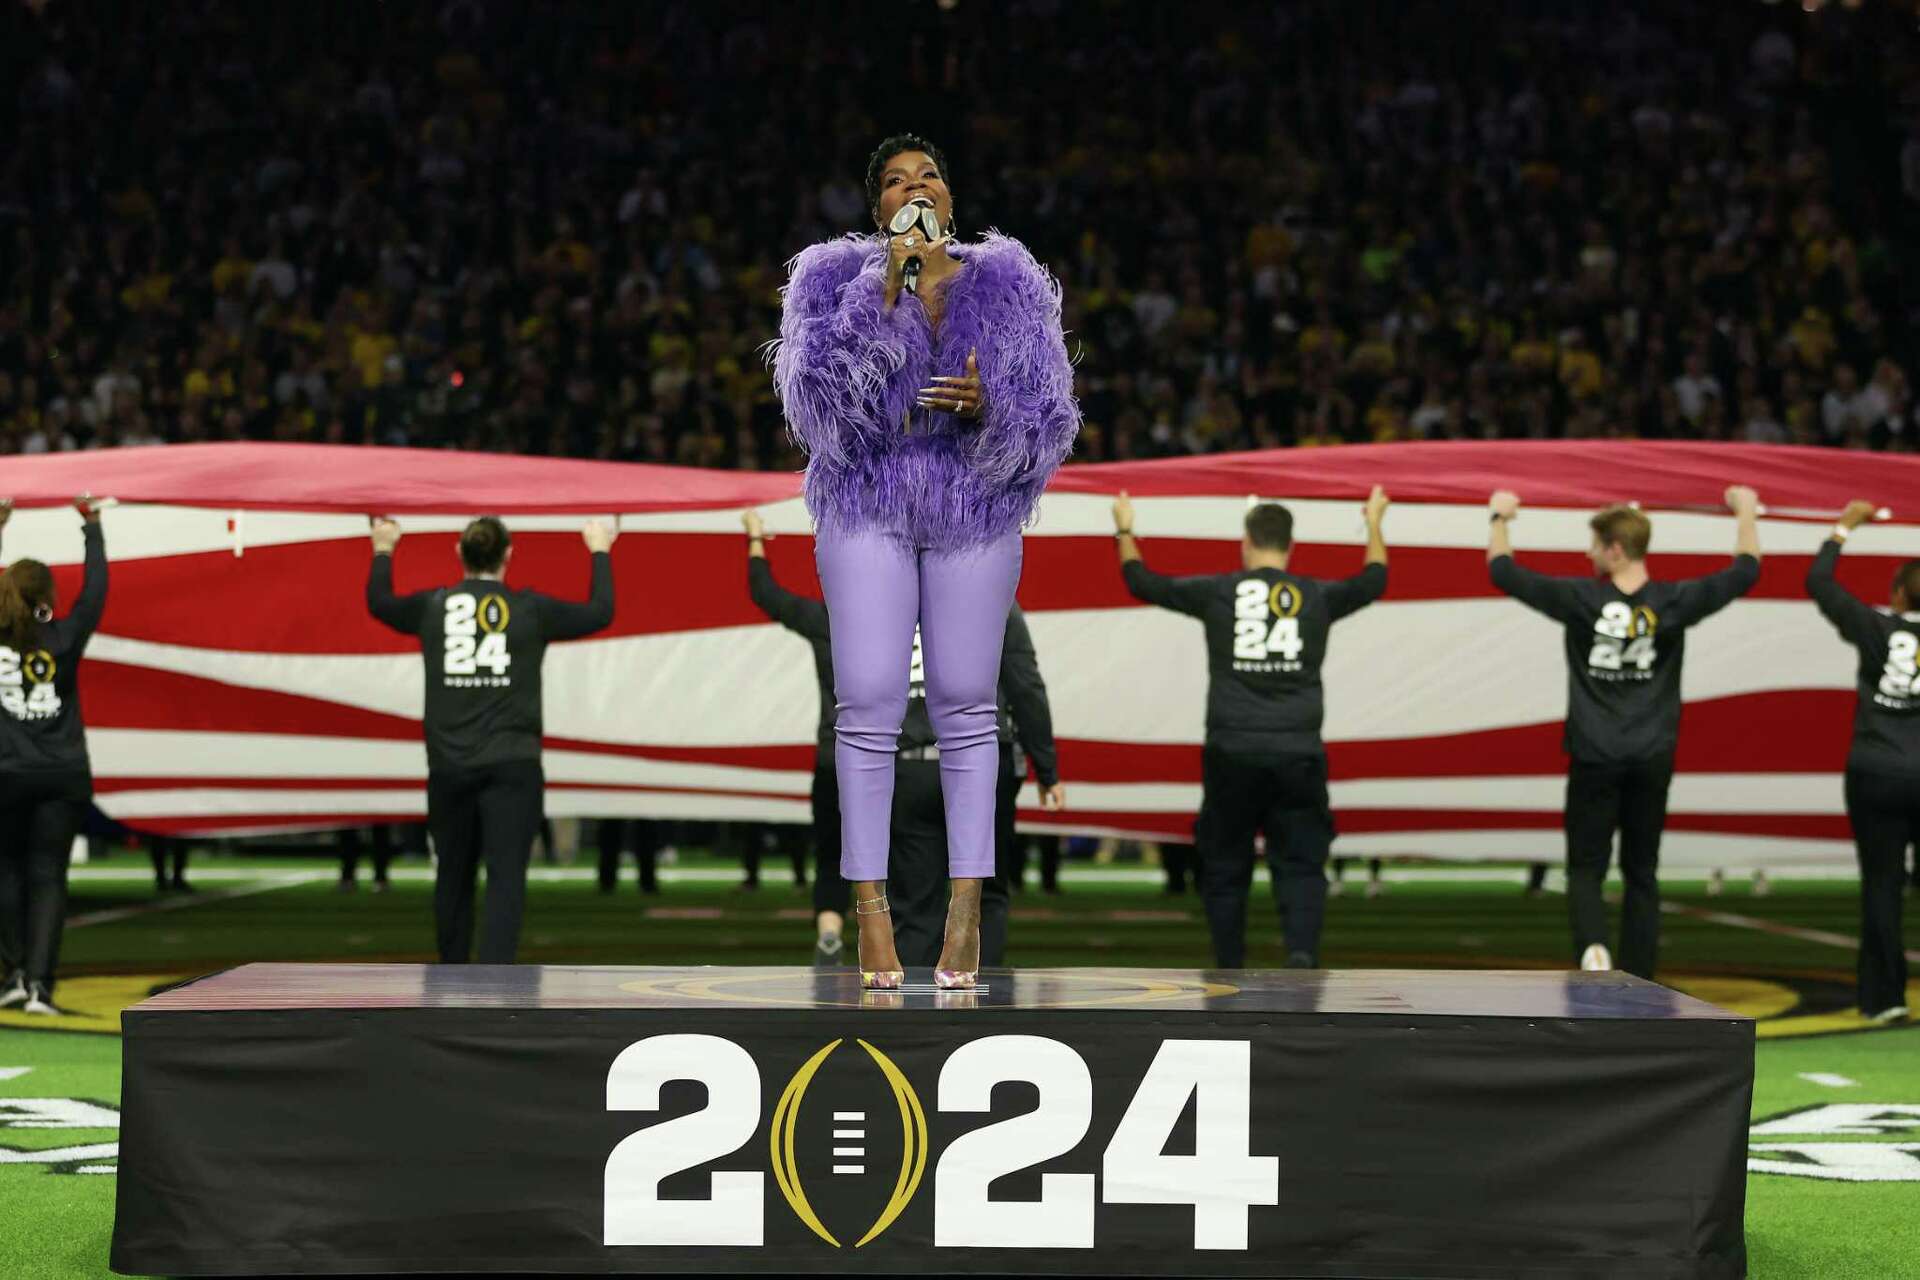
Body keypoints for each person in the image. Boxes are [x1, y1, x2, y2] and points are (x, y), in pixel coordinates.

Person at [768, 132, 1078, 988]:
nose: (918, 188)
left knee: (967, 706)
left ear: (951, 198)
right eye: (898, 181)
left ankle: (965, 913)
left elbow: (1050, 418)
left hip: (972, 501)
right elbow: (821, 413)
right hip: (868, 498)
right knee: (866, 699)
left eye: (930, 176)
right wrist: (890, 298)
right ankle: (870, 915)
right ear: (878, 211)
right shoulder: (833, 283)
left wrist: (990, 406)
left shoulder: (1010, 282)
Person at [743, 509, 1064, 966]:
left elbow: (769, 596)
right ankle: (965, 928)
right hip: (950, 756)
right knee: (966, 718)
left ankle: (874, 927)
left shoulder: (835, 613)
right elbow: (1025, 683)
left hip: (903, 765)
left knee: (868, 728)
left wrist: (755, 543)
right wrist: (1046, 765)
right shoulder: (994, 604)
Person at [1488, 487, 1761, 979]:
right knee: (1642, 873)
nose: (1587, 554)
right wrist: (1744, 512)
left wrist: (1500, 516)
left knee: (1586, 868)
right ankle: (1640, 977)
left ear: (1615, 549)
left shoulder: (1581, 599)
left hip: (1594, 753)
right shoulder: (1674, 601)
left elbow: (1502, 571)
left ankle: (1594, 950)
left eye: (1594, 545)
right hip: (1652, 754)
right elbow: (1746, 570)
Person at [1114, 486, 1390, 969]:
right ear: (1291, 545)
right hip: (1298, 750)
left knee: (1224, 863)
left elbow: (1140, 580)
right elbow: (1374, 579)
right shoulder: (1317, 596)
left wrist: (1123, 526)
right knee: (1302, 863)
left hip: (1231, 749)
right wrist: (1373, 522)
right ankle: (1301, 953)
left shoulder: (1218, 591)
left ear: (1246, 542)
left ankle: (1229, 962)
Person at [366, 514, 615, 963]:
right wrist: (599, 547)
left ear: (460, 554)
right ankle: (495, 987)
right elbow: (601, 611)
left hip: (449, 766)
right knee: (505, 879)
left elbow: (379, 602)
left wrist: (383, 547)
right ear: (508, 555)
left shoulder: (432, 606)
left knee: (453, 878)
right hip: (513, 765)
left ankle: (452, 980)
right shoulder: (530, 610)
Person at [892, 612, 1064, 969]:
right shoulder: (995, 593)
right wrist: (1046, 768)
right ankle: (982, 1014)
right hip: (979, 760)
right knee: (983, 897)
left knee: (915, 904)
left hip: (910, 761)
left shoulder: (896, 591)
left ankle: (910, 1019)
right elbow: (1025, 684)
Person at [1805, 499, 1919, 1024]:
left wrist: (1843, 527)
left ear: (1897, 594)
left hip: (1875, 770)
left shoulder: (1875, 627)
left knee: (1881, 884)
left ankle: (1883, 998)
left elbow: (1821, 583)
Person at [0, 496, 110, 1015]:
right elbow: (95, 595)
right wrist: (92, 526)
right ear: (47, 596)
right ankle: (41, 985)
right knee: (48, 876)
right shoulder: (64, 636)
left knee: (5, 872)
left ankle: (15, 976)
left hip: (6, 774)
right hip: (62, 774)